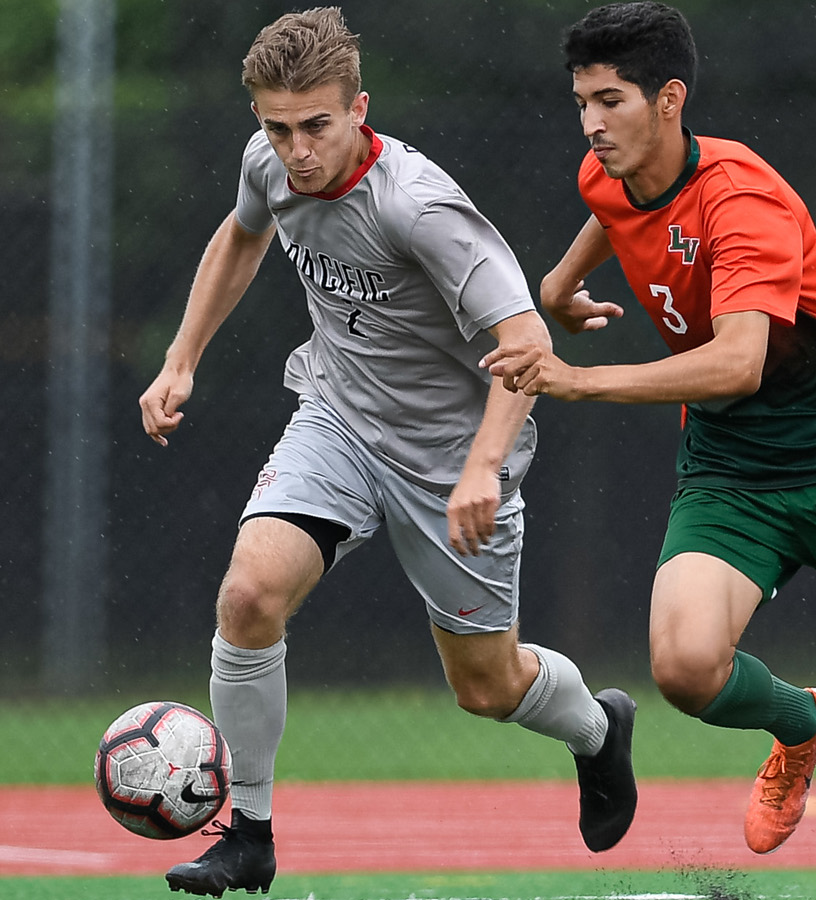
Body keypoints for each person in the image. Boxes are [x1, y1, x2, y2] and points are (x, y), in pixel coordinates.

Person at [483, 4, 816, 899]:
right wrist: (560, 284)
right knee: (683, 669)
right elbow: (609, 208)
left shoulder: (745, 199)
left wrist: (579, 378)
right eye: (581, 100)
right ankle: (802, 725)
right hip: (735, 469)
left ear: (670, 100)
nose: (589, 123)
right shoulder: (607, 169)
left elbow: (737, 363)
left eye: (609, 101)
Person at [138, 8, 637, 897]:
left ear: (359, 109)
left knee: (486, 685)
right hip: (336, 419)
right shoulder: (270, 164)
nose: (295, 151)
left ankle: (597, 732)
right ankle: (247, 832)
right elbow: (241, 234)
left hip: (452, 454)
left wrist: (483, 465)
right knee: (249, 595)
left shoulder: (420, 207)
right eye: (276, 127)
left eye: (316, 126)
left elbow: (526, 346)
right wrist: (181, 360)